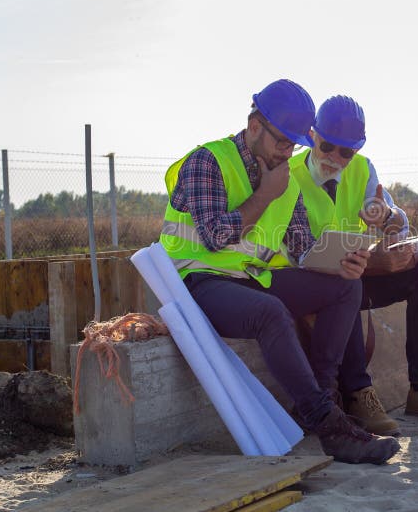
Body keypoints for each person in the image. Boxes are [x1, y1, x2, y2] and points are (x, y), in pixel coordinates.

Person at [159, 79, 400, 464]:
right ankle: (330, 425)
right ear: (254, 126)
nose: (286, 153)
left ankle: (323, 395)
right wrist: (265, 193)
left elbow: (303, 247)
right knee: (271, 314)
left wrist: (341, 262)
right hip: (199, 281)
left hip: (251, 280)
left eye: (292, 145)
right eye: (280, 142)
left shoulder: (284, 177)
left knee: (345, 287)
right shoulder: (208, 161)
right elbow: (215, 237)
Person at [288, 94, 418, 436]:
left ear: (356, 151)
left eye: (346, 152)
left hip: (356, 273)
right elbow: (293, 253)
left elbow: (397, 223)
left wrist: (387, 217)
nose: (335, 158)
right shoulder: (288, 176)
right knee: (345, 286)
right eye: (328, 147)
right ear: (313, 136)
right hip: (313, 283)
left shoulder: (363, 170)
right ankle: (359, 394)